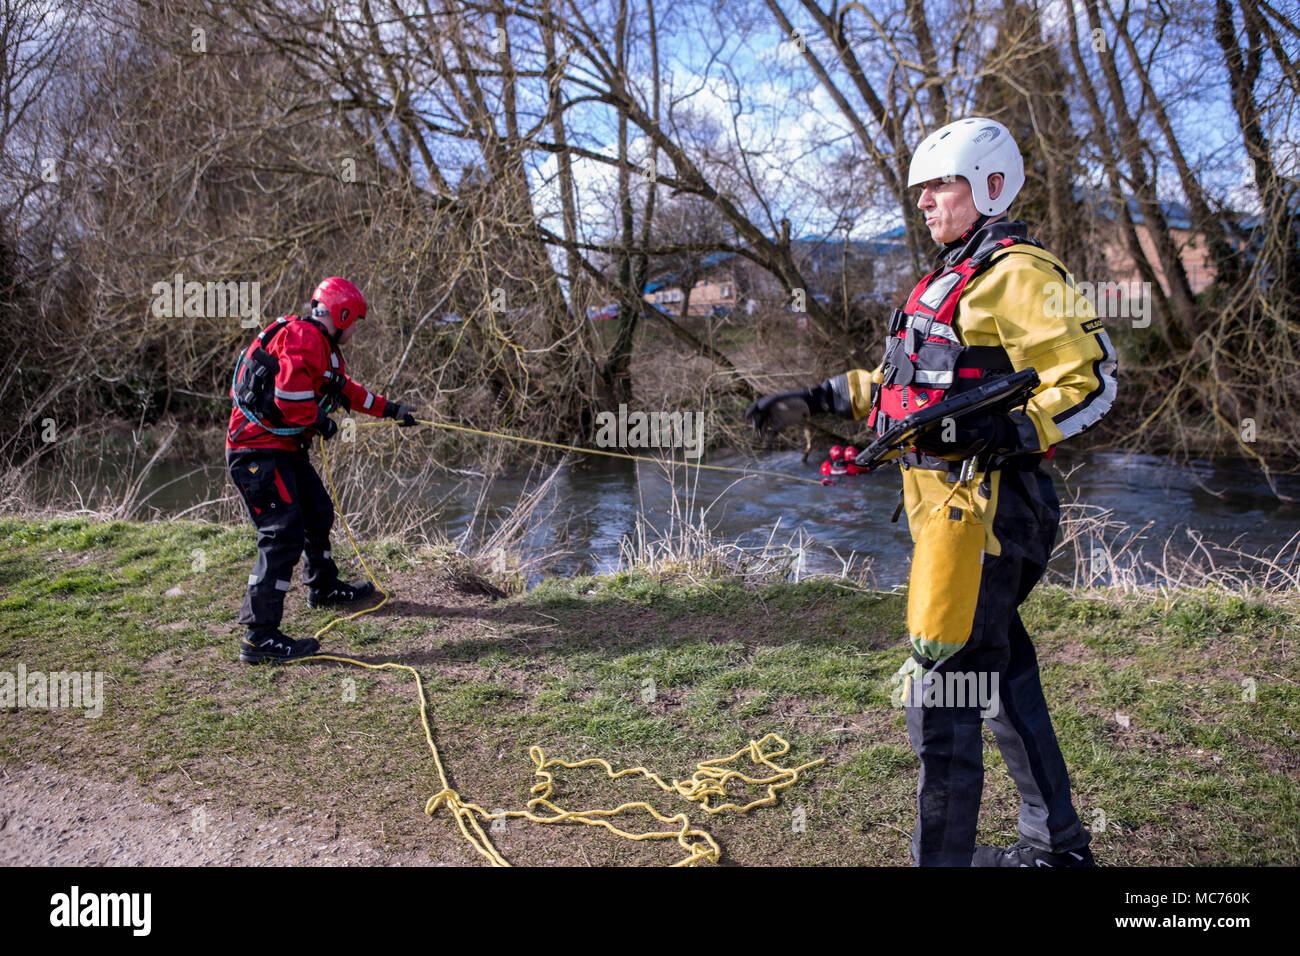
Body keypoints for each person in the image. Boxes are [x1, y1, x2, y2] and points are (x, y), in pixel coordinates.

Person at [747, 117, 1117, 867]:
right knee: (1000, 672)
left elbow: (1094, 382)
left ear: (989, 185)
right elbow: (901, 388)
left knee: (942, 694)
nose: (924, 201)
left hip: (988, 513)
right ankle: (1059, 848)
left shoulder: (1019, 275)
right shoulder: (948, 279)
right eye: (921, 188)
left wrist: (1014, 431)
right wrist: (816, 398)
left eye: (941, 184)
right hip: (945, 512)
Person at [226, 276, 419, 664]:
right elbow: (289, 398)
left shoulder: (318, 345)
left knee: (318, 512)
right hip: (257, 453)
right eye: (355, 322)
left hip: (282, 449)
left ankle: (323, 586)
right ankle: (259, 636)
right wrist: (319, 421)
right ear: (342, 314)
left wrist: (390, 409)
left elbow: (345, 389)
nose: (354, 330)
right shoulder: (304, 337)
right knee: (281, 536)